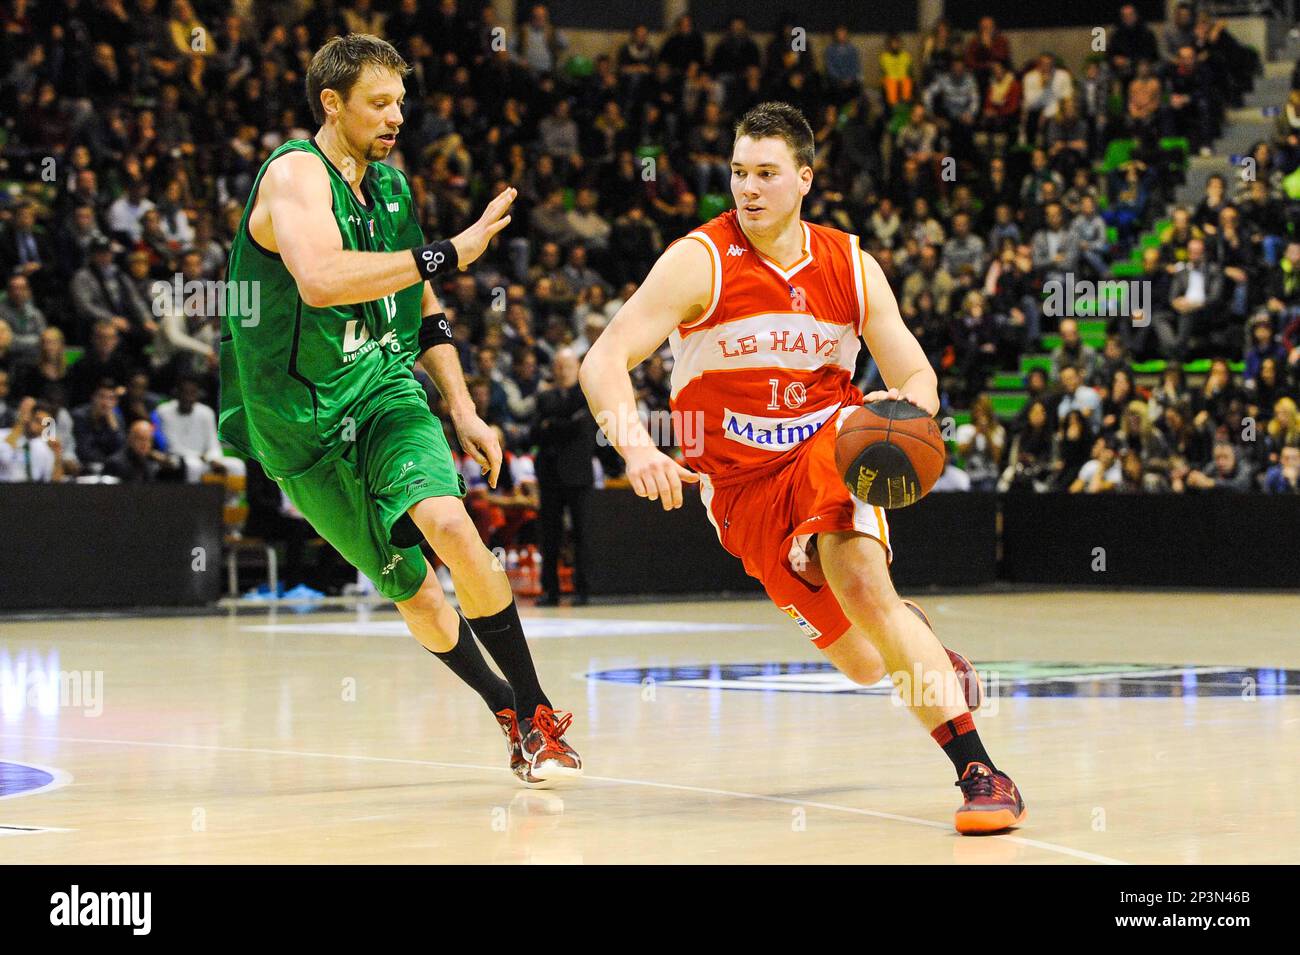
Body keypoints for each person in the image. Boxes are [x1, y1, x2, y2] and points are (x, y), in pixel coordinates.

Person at [580, 101, 1024, 834]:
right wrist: (634, 444)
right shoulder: (700, 260)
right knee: (861, 660)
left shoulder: (850, 264)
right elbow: (605, 357)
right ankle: (923, 646)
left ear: (805, 179)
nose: (747, 189)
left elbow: (916, 374)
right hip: (740, 489)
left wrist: (904, 410)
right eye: (736, 172)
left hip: (830, 445)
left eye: (765, 173)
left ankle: (982, 772)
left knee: (862, 584)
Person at [217, 34, 580, 787]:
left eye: (401, 103)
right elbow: (318, 278)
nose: (396, 117)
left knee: (451, 522)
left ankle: (540, 713)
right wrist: (449, 249)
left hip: (384, 389)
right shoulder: (294, 176)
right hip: (301, 429)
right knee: (414, 590)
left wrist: (466, 407)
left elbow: (420, 301)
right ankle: (506, 708)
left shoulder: (389, 187)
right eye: (380, 103)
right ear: (332, 103)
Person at [531, 348, 597, 605]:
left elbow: (576, 426)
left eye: (566, 366)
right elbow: (535, 432)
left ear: (577, 368)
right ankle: (550, 590)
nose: (561, 371)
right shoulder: (544, 398)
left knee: (582, 535)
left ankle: (583, 590)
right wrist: (559, 425)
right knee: (550, 536)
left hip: (578, 475)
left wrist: (553, 425)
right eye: (557, 366)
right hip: (550, 476)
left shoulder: (586, 396)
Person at [0, 397, 64, 483]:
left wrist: (58, 457)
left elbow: (53, 482)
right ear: (29, 417)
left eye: (45, 424)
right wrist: (20, 424)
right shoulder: (3, 436)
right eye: (37, 421)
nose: (40, 427)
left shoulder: (44, 449)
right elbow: (5, 453)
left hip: (31, 492)